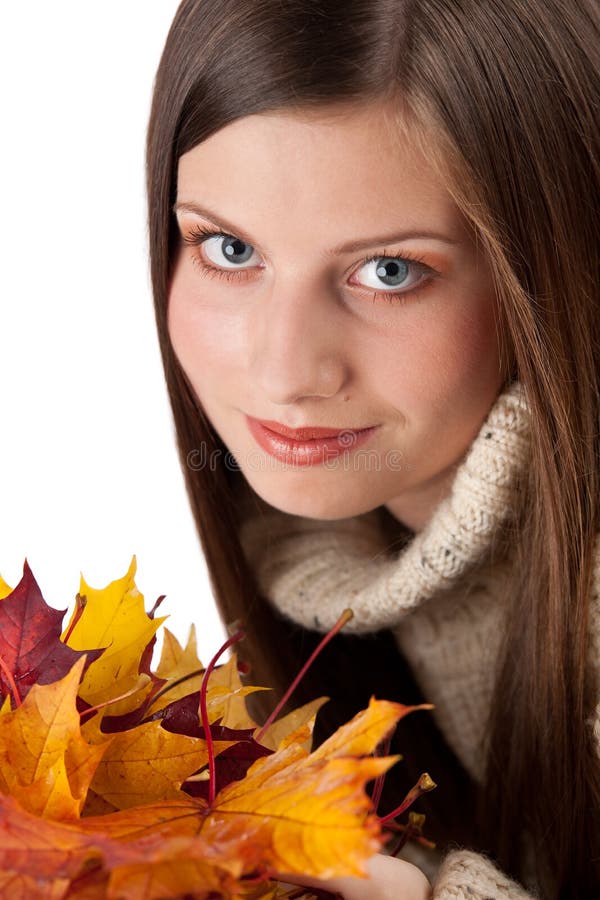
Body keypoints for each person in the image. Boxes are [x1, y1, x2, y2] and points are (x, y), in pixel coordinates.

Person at [145, 1, 600, 896]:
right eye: (228, 248)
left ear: (552, 269)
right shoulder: (318, 563)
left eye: (390, 270)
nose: (283, 371)